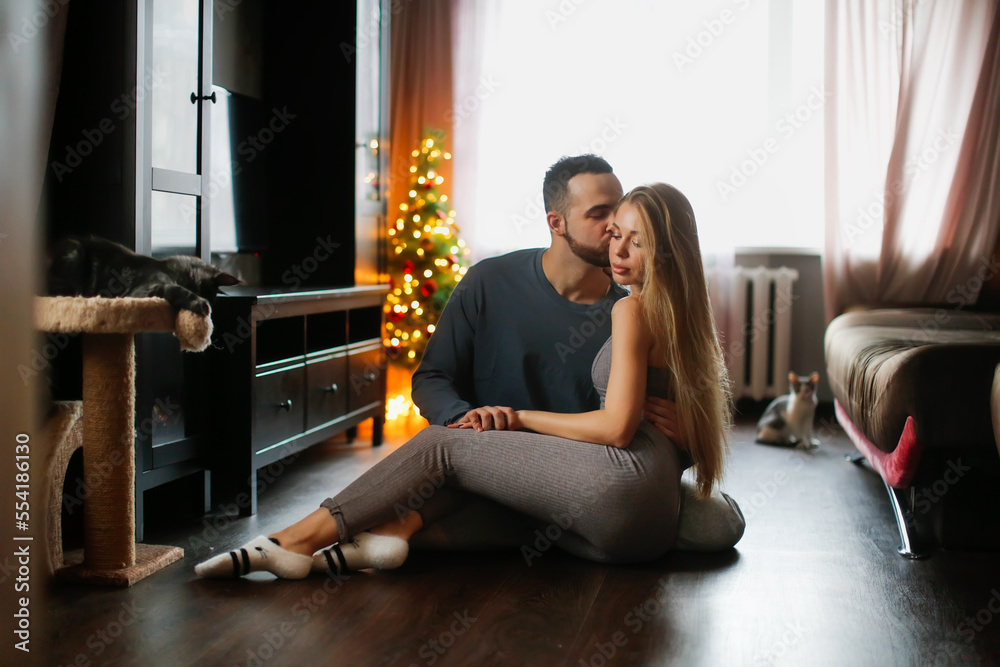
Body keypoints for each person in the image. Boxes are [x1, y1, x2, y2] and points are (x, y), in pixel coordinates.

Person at [195, 181, 738, 579]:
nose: (617, 250)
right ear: (558, 222)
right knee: (521, 513)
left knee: (441, 445)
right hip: (641, 532)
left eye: (635, 241)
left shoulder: (631, 310)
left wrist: (518, 418)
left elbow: (618, 430)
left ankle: (292, 541)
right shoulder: (690, 317)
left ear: (664, 248)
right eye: (614, 233)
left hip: (620, 484)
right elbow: (675, 435)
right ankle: (388, 534)